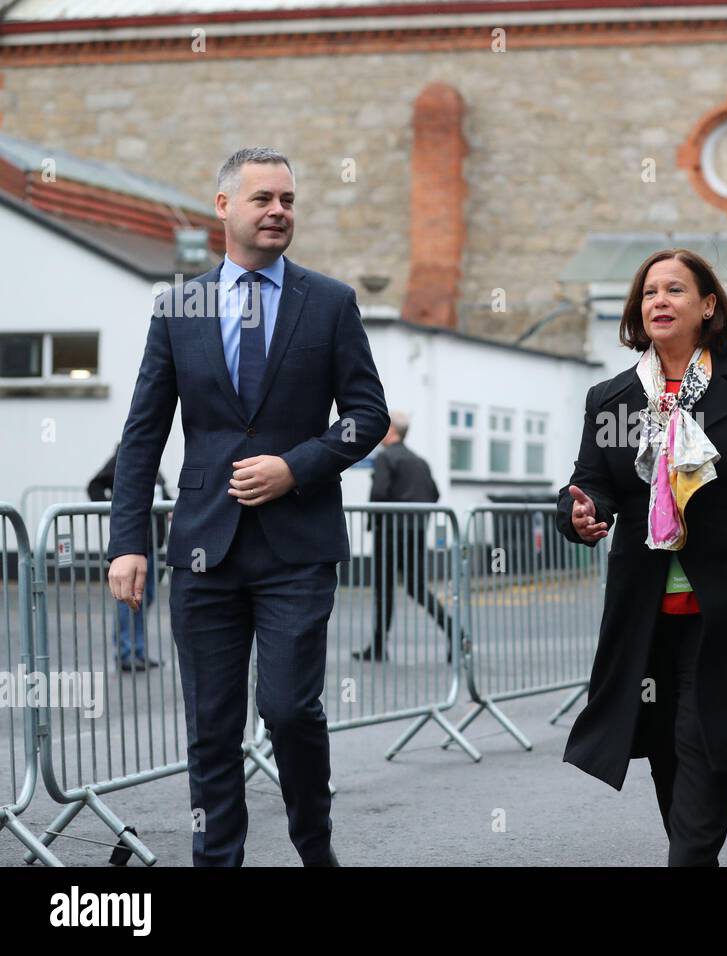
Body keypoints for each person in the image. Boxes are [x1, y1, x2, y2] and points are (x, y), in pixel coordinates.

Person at [106, 147, 389, 866]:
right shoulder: (179, 307)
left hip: (298, 547)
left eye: (289, 200)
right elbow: (143, 433)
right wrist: (127, 541)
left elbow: (366, 414)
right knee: (210, 726)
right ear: (224, 207)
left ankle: (314, 849)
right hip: (203, 547)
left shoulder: (328, 302)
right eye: (264, 198)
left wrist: (295, 467)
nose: (279, 212)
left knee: (290, 712)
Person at [556, 248, 727, 866]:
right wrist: (580, 512)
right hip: (646, 603)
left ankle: (688, 861)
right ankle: (695, 858)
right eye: (649, 292)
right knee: (665, 737)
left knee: (705, 736)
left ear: (707, 306)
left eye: (675, 290)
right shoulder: (611, 397)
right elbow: (590, 481)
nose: (659, 301)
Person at [353, 410, 461, 663]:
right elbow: (434, 493)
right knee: (417, 588)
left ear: (391, 431)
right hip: (416, 531)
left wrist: (376, 518)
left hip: (389, 531)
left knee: (384, 589)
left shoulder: (385, 458)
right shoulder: (419, 461)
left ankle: (378, 648)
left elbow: (379, 492)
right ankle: (456, 635)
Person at [88, 444, 169, 671]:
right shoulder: (125, 457)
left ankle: (139, 651)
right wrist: (111, 509)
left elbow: (165, 496)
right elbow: (95, 486)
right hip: (133, 548)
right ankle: (125, 652)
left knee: (145, 600)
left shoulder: (154, 466)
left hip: (151, 547)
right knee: (128, 600)